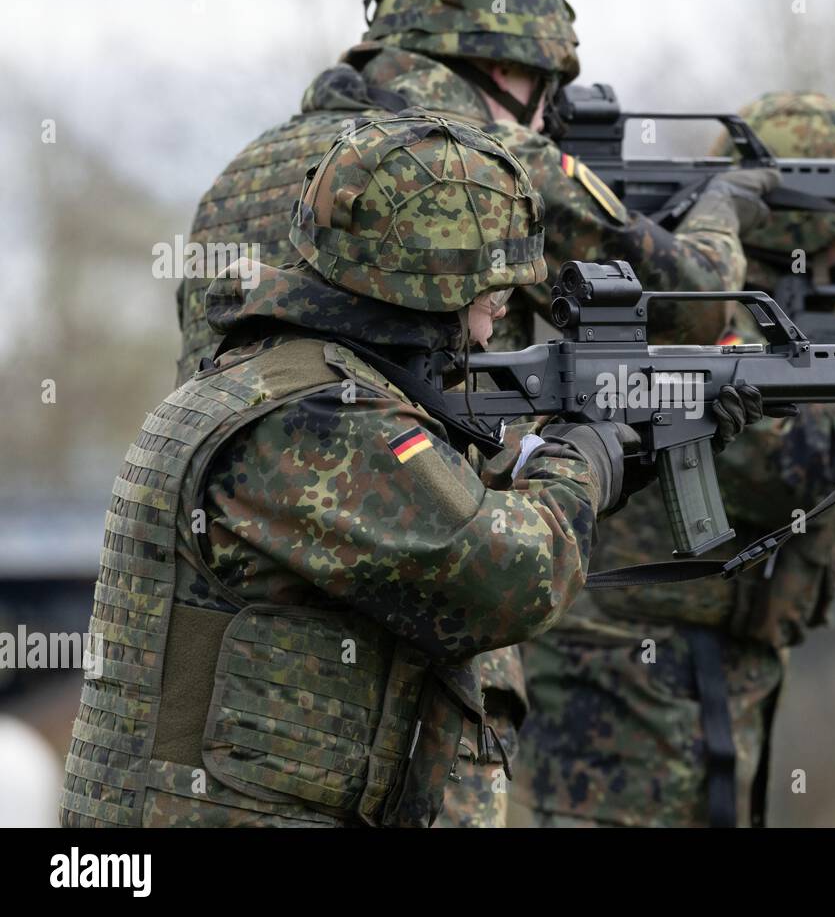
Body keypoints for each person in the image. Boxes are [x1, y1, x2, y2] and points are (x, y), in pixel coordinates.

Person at [178, 0, 772, 825]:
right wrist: (726, 209)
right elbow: (691, 294)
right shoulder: (470, 162)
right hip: (434, 585)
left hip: (244, 620)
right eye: (547, 89)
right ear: (511, 71)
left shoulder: (244, 171)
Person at [61, 113, 675, 827]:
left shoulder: (274, 374)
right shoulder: (320, 419)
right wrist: (586, 460)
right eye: (493, 292)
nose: (492, 322)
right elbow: (509, 578)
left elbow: (435, 512)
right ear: (430, 287)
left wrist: (626, 451)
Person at [515, 92, 835, 827]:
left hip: (718, 678)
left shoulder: (788, 310)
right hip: (623, 684)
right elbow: (800, 465)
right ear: (804, 222)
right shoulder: (690, 313)